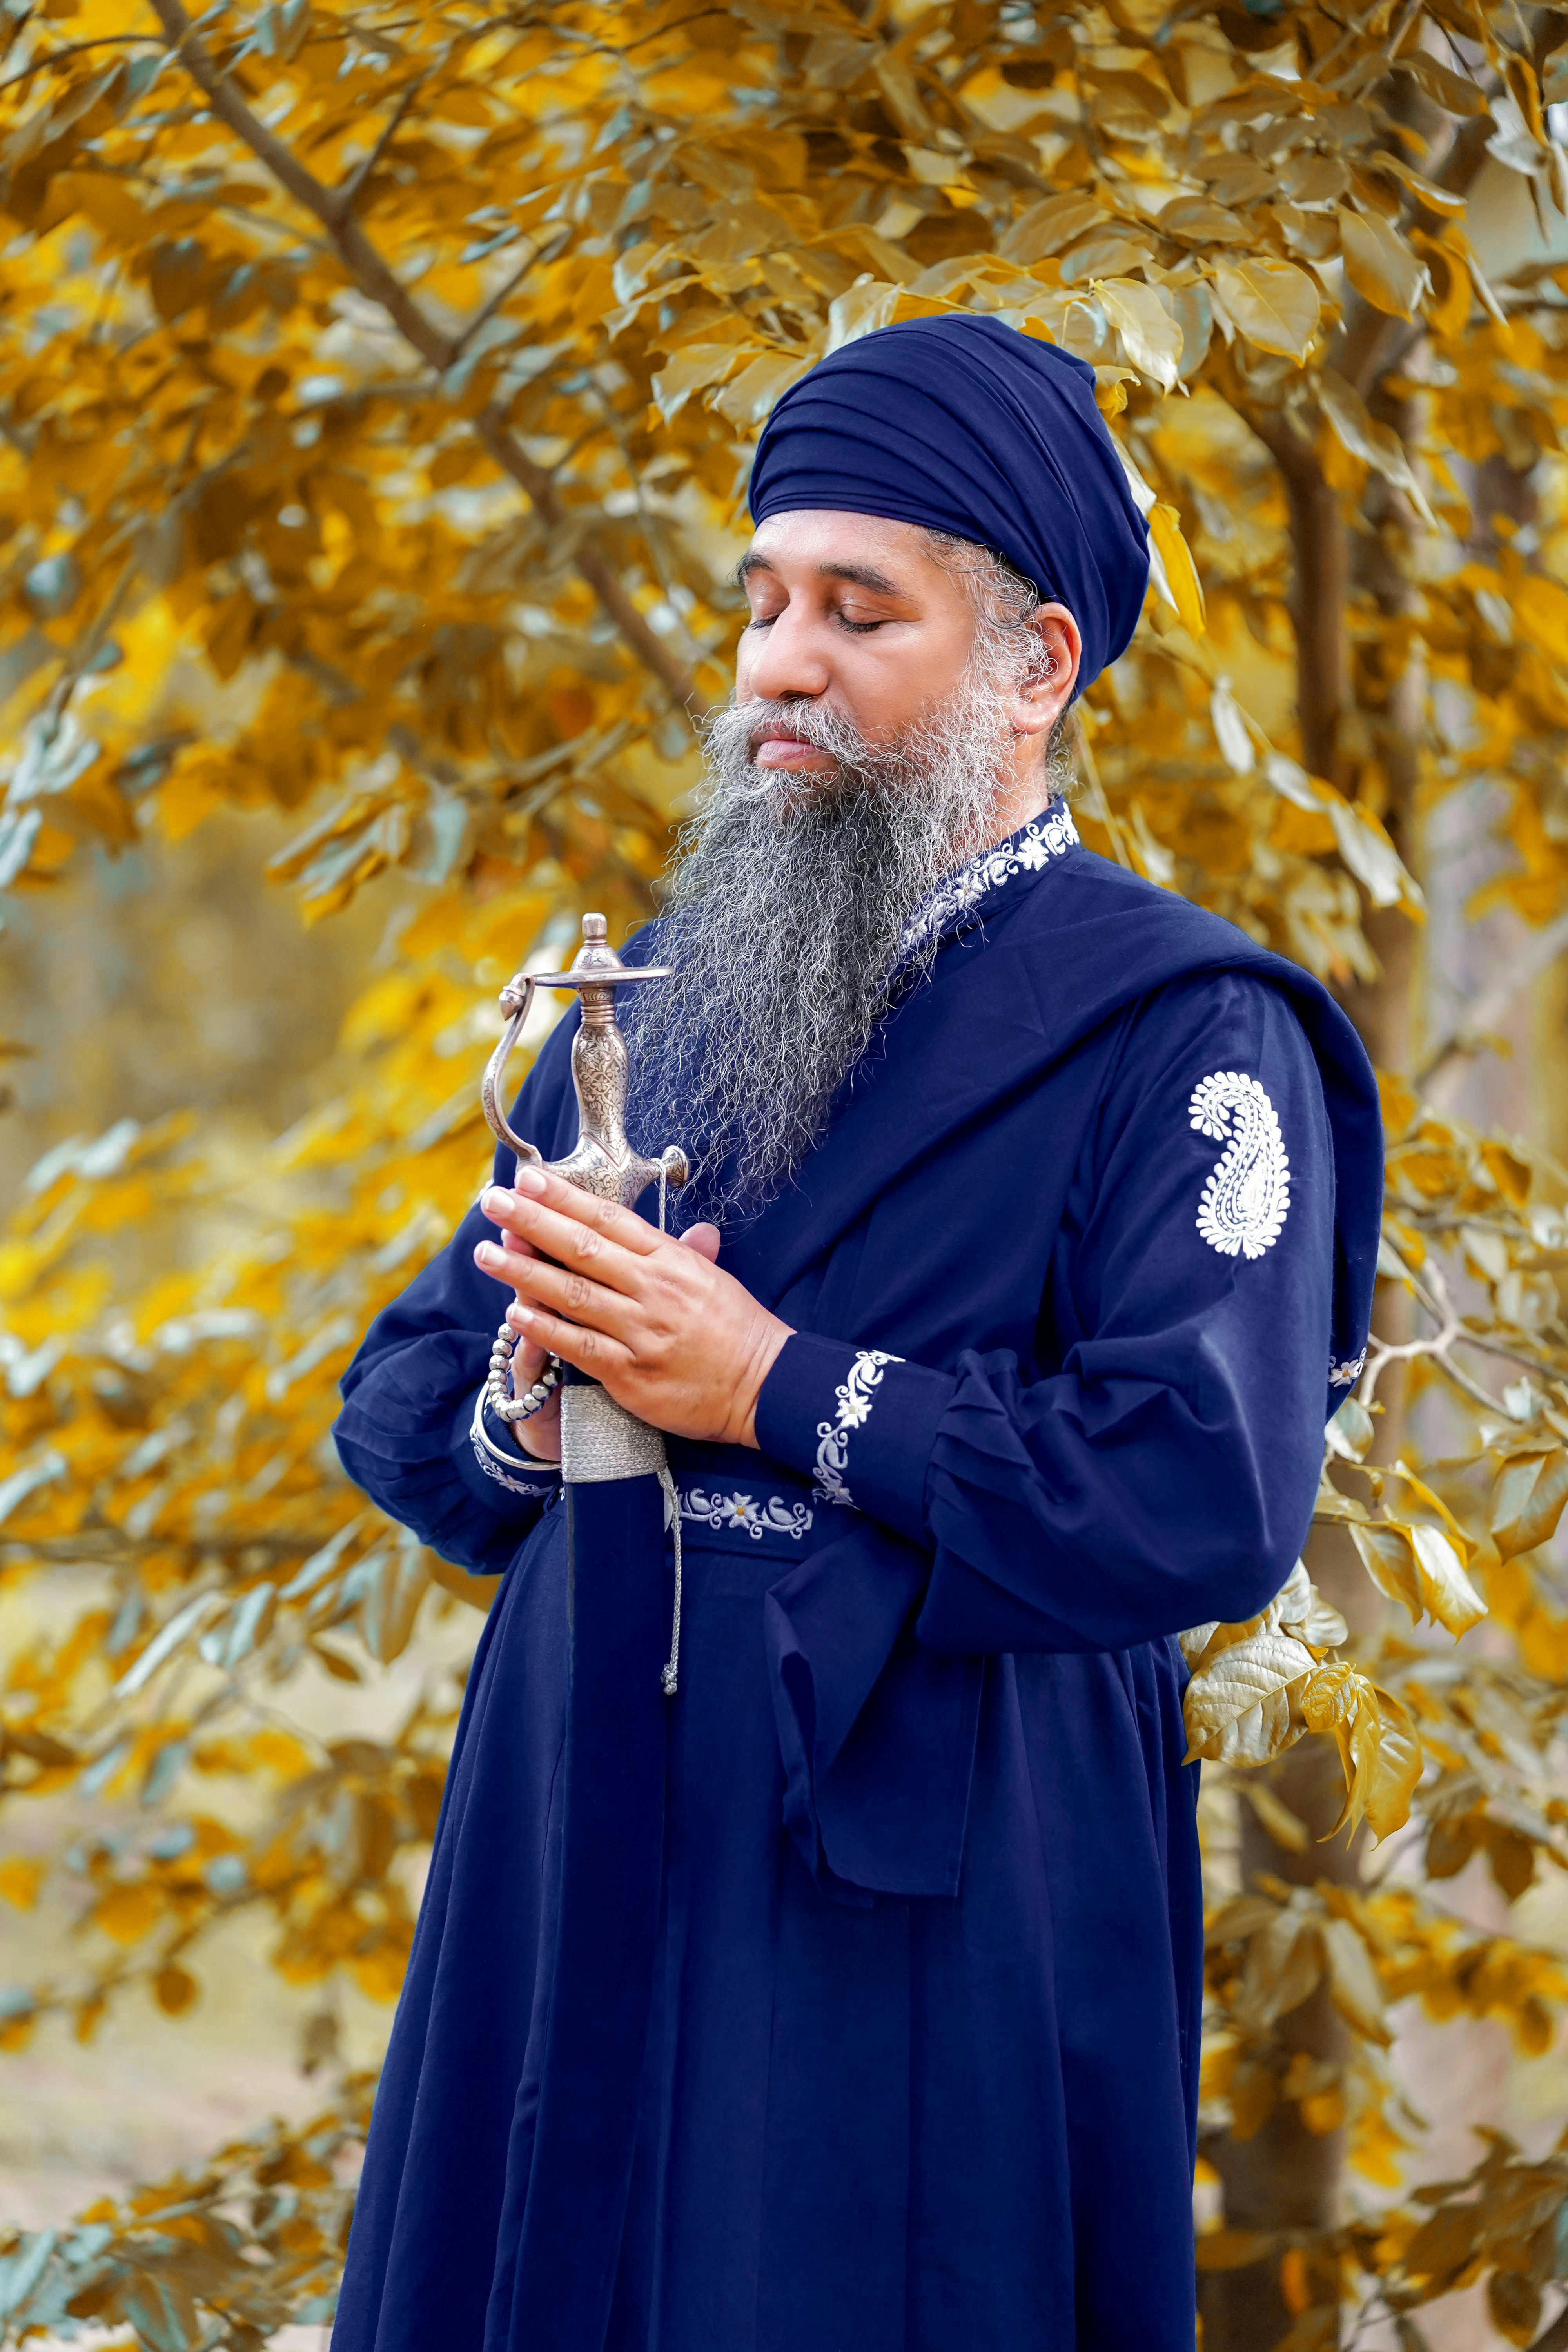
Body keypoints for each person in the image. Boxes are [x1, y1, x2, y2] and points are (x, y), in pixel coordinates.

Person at [329, 312, 1381, 2352]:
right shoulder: (667, 1000)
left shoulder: (1183, 1032)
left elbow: (1201, 1489)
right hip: (582, 1856)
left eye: (856, 610)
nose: (778, 663)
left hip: (933, 1899)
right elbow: (405, 1405)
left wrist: (773, 1388)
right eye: (763, 601)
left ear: (1037, 663)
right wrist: (532, 1417)